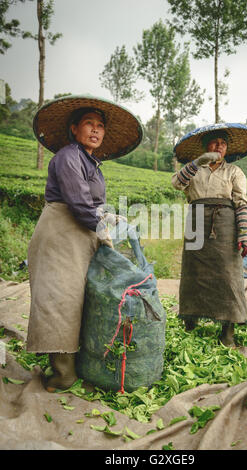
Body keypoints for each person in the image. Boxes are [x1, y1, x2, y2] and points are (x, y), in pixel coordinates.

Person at [26, 95, 143, 392]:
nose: (96, 130)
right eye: (89, 123)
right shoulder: (67, 156)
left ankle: (74, 360)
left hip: (81, 234)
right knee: (60, 298)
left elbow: (90, 203)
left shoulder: (91, 162)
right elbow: (78, 203)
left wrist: (106, 216)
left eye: (100, 125)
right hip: (60, 235)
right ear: (74, 129)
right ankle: (63, 373)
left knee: (79, 296)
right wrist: (99, 225)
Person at [172, 124, 247, 346]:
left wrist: (244, 235)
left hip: (224, 225)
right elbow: (176, 183)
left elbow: (241, 204)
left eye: (223, 143)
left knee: (227, 274)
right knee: (193, 273)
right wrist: (197, 163)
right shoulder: (194, 169)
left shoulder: (234, 172)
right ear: (205, 147)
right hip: (196, 222)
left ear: (227, 149)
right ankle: (191, 321)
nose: (219, 146)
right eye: (214, 142)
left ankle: (227, 329)